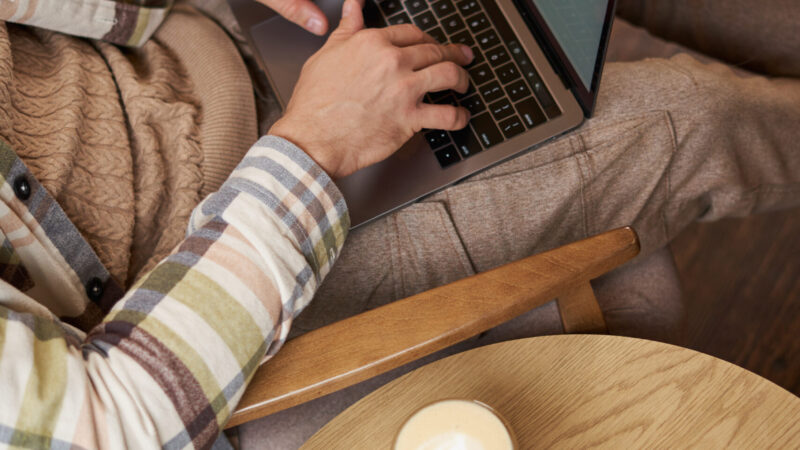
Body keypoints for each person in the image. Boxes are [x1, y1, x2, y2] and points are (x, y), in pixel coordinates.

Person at [0, 0, 797, 449]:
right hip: (231, 257)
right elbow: (106, 420)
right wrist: (315, 144)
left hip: (200, 40)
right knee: (687, 119)